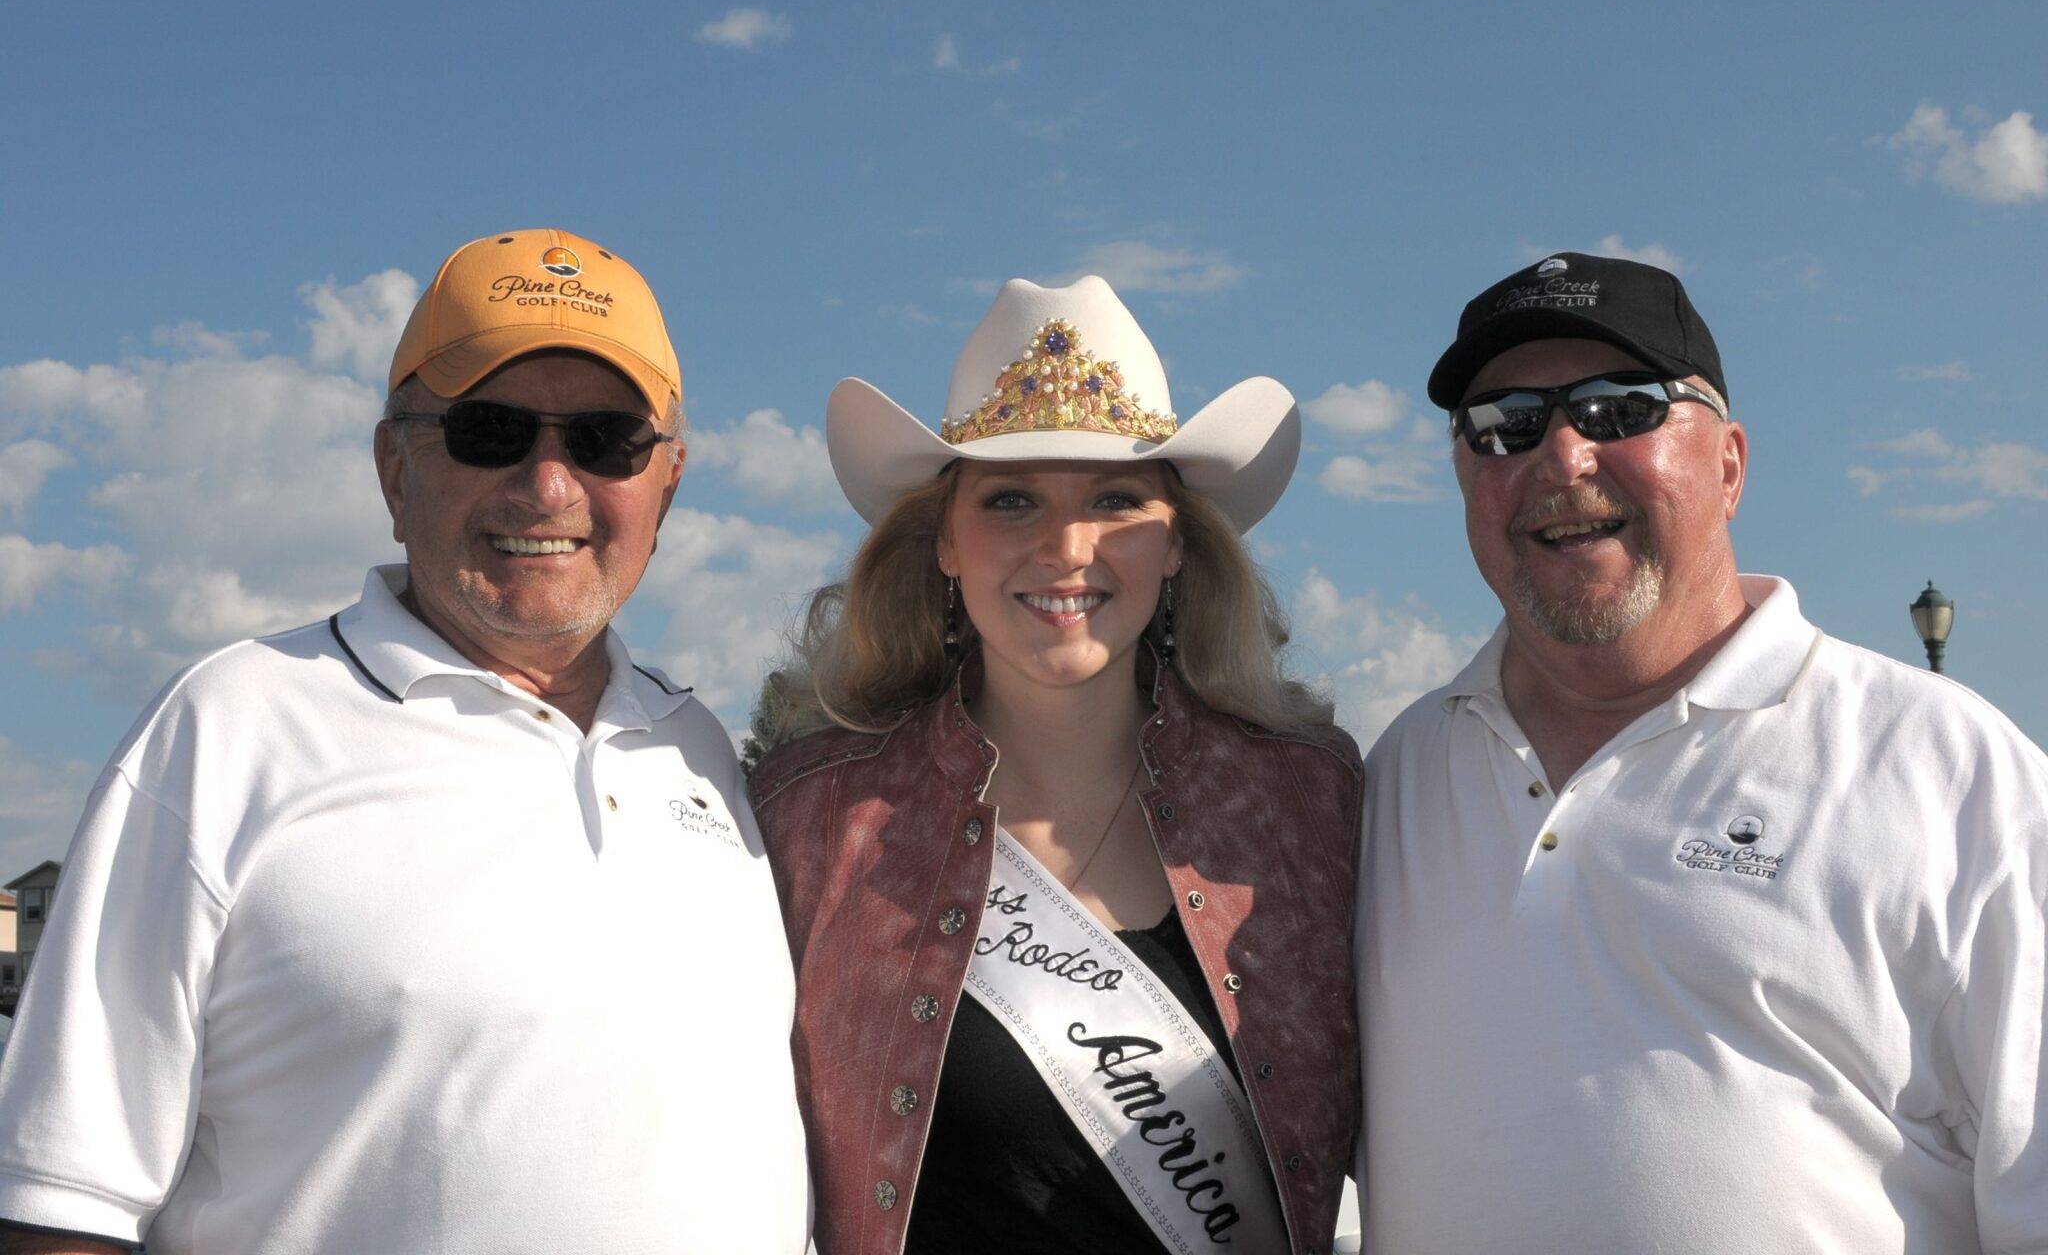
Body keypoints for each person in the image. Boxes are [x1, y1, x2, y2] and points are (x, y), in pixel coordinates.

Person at [0, 229, 810, 1254]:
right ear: (394, 468)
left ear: (668, 482)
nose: (549, 484)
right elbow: (65, 1206)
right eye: (490, 430)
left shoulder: (695, 750)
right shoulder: (227, 729)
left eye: (605, 440)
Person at [1355, 251, 2048, 1252]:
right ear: (1467, 476)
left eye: (1618, 407)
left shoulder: (1950, 771)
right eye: (1503, 422)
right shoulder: (1394, 783)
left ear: (1726, 462)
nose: (1560, 456)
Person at [750, 275, 1361, 1255]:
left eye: (1116, 499)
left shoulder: (1311, 807)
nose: (1067, 546)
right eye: (1012, 499)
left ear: (1174, 547)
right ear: (945, 541)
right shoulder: (810, 818)